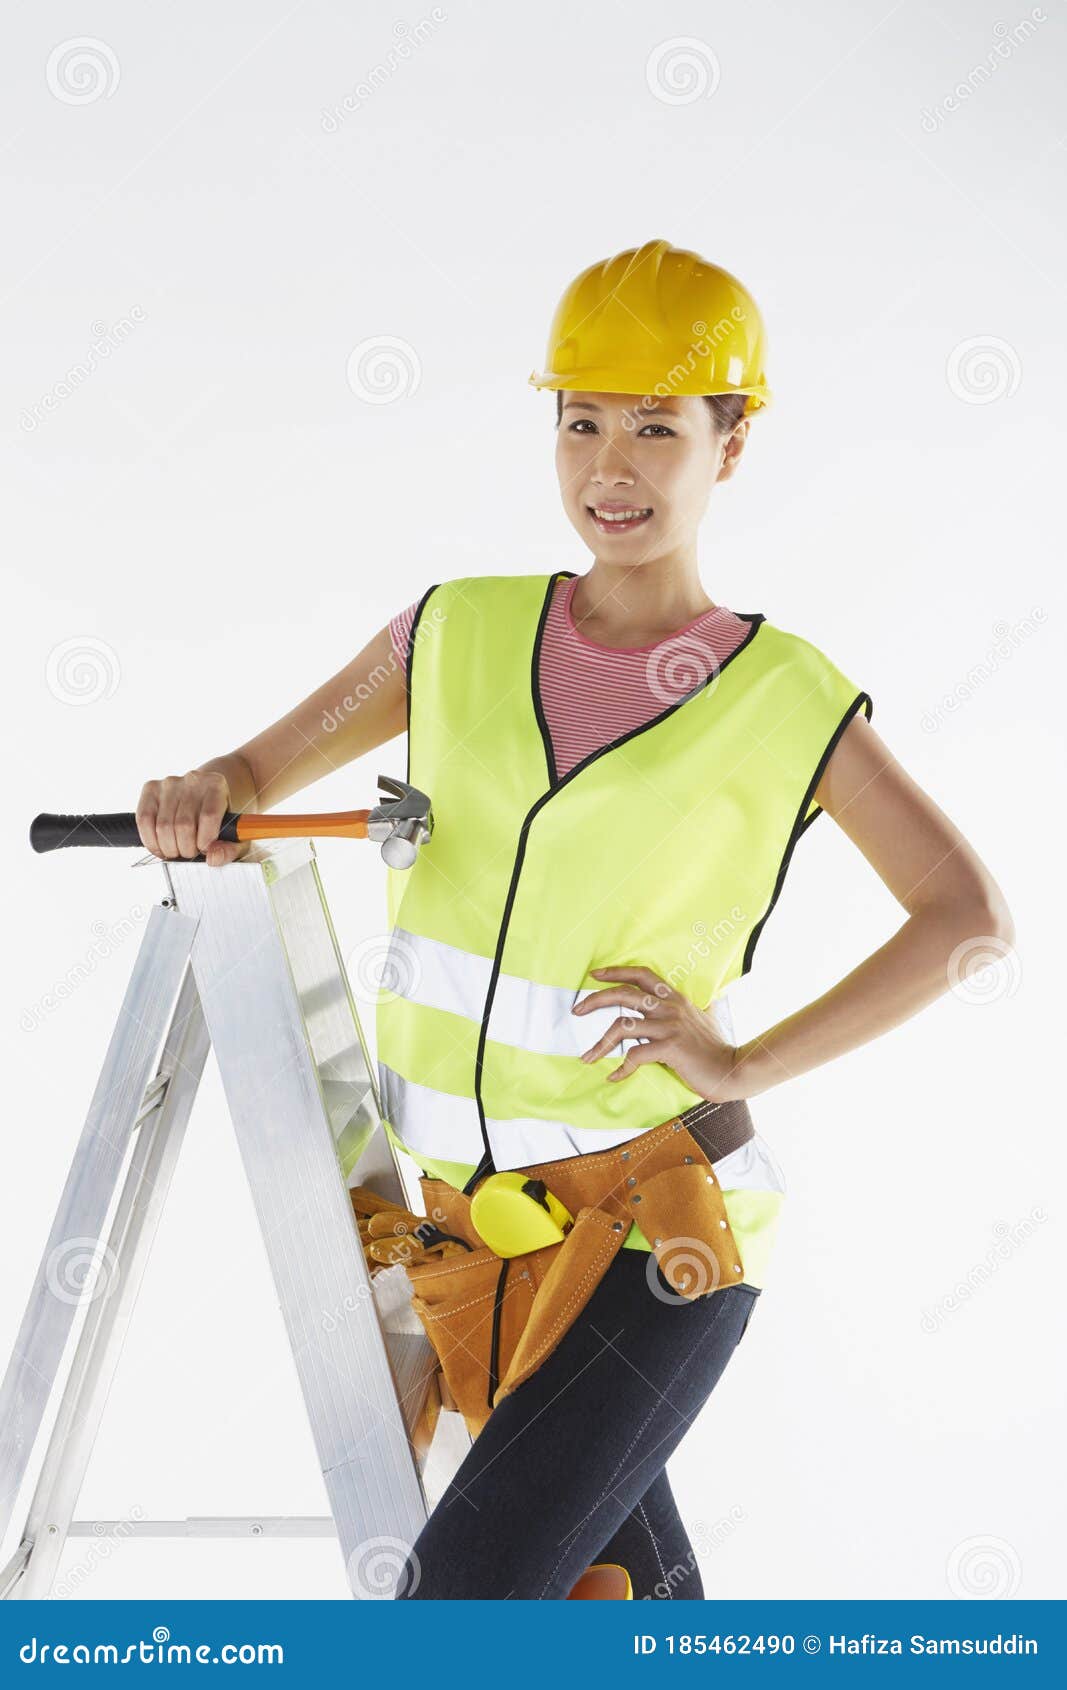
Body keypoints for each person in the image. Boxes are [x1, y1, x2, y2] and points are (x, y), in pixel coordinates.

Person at [135, 241, 1014, 1600]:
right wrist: (202, 792)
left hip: (663, 1224)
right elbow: (249, 777)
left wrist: (741, 1062)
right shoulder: (449, 631)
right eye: (582, 421)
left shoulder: (785, 694)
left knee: (463, 1604)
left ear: (733, 442)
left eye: (658, 427)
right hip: (479, 1244)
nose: (611, 465)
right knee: (625, 1613)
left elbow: (966, 916)